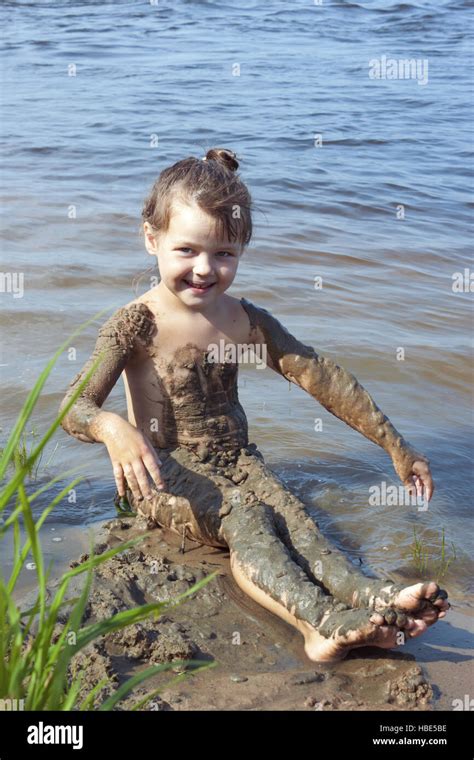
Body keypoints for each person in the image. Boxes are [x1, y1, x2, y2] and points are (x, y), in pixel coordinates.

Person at [59, 147, 449, 662]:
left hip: (237, 460)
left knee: (293, 516)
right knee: (247, 519)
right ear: (150, 239)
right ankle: (320, 626)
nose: (204, 269)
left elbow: (322, 378)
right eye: (186, 251)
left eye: (224, 254)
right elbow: (75, 406)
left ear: (242, 248)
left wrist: (396, 447)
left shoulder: (243, 318)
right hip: (164, 475)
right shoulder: (136, 323)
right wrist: (112, 427)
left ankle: (371, 598)